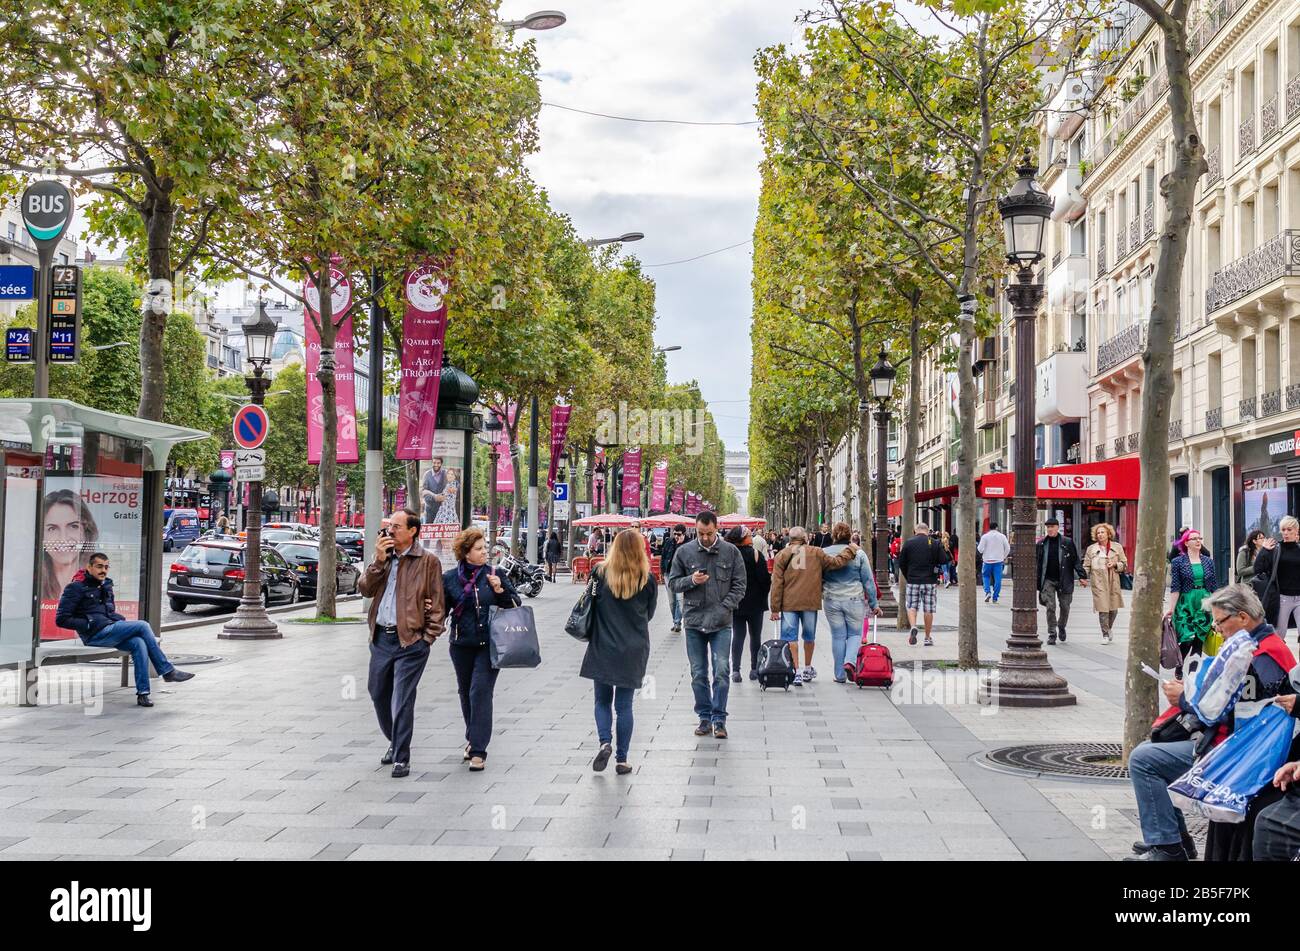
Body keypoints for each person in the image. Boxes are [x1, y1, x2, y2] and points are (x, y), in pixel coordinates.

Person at [1126, 585, 1297, 861]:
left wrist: (1185, 698)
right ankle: (1170, 840)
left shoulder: (1261, 654)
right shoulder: (1252, 645)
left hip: (1235, 754)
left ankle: (1168, 846)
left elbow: (1230, 708)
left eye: (1220, 621)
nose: (1216, 629)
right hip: (1229, 744)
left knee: (1144, 759)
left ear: (1242, 617)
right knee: (1151, 750)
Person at [358, 509, 445, 777]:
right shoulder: (383, 560)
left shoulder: (428, 561)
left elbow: (438, 604)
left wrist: (427, 638)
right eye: (389, 526)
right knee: (377, 692)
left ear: (413, 531)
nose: (390, 531)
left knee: (403, 698)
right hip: (381, 638)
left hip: (411, 641)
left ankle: (401, 758)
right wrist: (378, 561)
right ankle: (395, 742)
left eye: (396, 526)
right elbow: (365, 589)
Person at [56, 552, 195, 707]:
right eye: (99, 566)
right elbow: (61, 619)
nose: (103, 570)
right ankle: (167, 671)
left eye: (106, 567)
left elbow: (107, 612)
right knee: (143, 625)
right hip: (94, 635)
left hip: (108, 629)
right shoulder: (75, 587)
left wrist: (118, 619)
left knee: (138, 643)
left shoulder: (106, 585)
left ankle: (143, 694)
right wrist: (89, 624)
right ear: (89, 567)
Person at [443, 526, 520, 772]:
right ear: (465, 553)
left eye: (485, 547)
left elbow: (515, 605)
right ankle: (472, 737)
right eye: (479, 548)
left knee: (480, 692)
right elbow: (441, 610)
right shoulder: (450, 578)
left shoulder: (496, 573)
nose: (484, 552)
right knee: (465, 692)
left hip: (490, 645)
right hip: (460, 644)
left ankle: (478, 750)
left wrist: (501, 591)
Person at [581, 528, 657, 774]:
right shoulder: (647, 578)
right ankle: (622, 759)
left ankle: (605, 742)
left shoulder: (600, 573)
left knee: (602, 701)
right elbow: (650, 614)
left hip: (603, 645)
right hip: (633, 648)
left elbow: (588, 603)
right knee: (624, 706)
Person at [666, 511, 746, 738]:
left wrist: (725, 607)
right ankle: (704, 717)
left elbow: (740, 585)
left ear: (717, 528)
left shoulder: (731, 552)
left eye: (709, 533)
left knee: (722, 670)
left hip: (721, 621)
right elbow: (672, 583)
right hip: (694, 621)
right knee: (698, 672)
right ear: (695, 529)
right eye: (701, 533)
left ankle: (719, 718)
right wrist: (691, 580)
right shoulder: (684, 552)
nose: (706, 538)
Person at [769, 526, 859, 685]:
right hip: (810, 602)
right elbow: (836, 562)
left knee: (791, 638)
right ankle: (808, 668)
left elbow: (777, 583)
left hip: (789, 603)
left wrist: (775, 608)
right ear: (805, 538)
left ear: (789, 538)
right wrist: (850, 549)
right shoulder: (816, 552)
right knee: (809, 637)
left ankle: (795, 671)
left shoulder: (782, 555)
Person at [822, 522, 881, 683]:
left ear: (833, 535)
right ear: (850, 535)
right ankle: (850, 661)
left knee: (838, 636)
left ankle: (839, 675)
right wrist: (874, 604)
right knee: (855, 634)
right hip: (854, 599)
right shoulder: (859, 553)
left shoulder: (823, 553)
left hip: (831, 599)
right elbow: (868, 581)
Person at [1164, 529, 1217, 677]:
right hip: (1186, 603)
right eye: (1194, 539)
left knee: (1199, 640)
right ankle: (1179, 666)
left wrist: (1218, 608)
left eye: (1199, 538)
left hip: (1204, 603)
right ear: (1186, 543)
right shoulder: (1178, 562)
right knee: (1187, 639)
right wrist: (1171, 609)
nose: (1198, 541)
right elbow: (1175, 587)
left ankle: (1193, 673)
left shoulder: (1208, 561)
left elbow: (1213, 586)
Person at [42, 489, 100, 605]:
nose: (63, 538)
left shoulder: (102, 581)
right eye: (52, 528)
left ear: (86, 532)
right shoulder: (28, 584)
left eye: (73, 526)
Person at [727, 526, 770, 683]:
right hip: (755, 602)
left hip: (736, 602)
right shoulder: (756, 554)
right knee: (755, 636)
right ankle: (755, 668)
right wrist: (764, 593)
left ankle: (736, 670)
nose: (751, 536)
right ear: (743, 537)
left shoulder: (730, 554)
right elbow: (765, 579)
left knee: (738, 636)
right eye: (748, 534)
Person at [1036, 517, 1086, 646]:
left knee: (1065, 607)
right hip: (1048, 580)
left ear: (1058, 528)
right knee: (1050, 607)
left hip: (1064, 579)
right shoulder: (1041, 544)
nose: (1050, 529)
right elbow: (1037, 564)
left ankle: (1061, 626)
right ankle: (1052, 633)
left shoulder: (1067, 542)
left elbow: (1075, 560)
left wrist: (1082, 576)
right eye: (1048, 527)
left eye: (1052, 527)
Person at [898, 522, 949, 646]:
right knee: (928, 609)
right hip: (929, 581)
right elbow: (944, 560)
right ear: (927, 531)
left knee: (911, 606)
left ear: (916, 531)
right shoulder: (935, 543)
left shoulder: (909, 543)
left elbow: (901, 563)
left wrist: (908, 575)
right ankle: (927, 637)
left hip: (913, 580)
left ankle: (914, 626)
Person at [1253, 516, 1300, 637]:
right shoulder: (1276, 549)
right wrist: (1264, 550)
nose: (1286, 533)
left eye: (1289, 530)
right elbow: (1258, 569)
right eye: (1283, 530)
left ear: (1296, 530)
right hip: (1283, 597)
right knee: (1279, 634)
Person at [1083, 522, 1127, 644]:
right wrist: (1083, 577)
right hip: (1098, 582)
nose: (1100, 535)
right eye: (1098, 533)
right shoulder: (1091, 549)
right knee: (1103, 609)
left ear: (1108, 534)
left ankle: (1108, 628)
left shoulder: (1117, 547)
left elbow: (1124, 564)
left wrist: (1115, 564)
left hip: (1113, 582)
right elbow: (1086, 565)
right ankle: (1105, 634)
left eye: (1102, 532)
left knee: (1113, 610)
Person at [977, 521, 1010, 603]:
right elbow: (1008, 548)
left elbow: (980, 549)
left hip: (987, 560)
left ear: (989, 528)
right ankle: (995, 597)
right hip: (998, 561)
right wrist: (1003, 556)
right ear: (997, 527)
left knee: (986, 576)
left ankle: (987, 592)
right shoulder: (1002, 536)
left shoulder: (985, 537)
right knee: (998, 579)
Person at [660, 524, 686, 633]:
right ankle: (675, 621)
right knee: (672, 601)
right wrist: (662, 572)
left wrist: (680, 545)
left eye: (678, 534)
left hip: (681, 576)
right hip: (668, 574)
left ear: (684, 534)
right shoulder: (669, 542)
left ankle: (677, 622)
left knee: (680, 600)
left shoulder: (687, 544)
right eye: (674, 533)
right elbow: (663, 556)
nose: (676, 536)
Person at [420, 457, 447, 525]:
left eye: (438, 463)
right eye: (434, 463)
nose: (436, 465)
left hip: (443, 509)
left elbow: (452, 485)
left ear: (441, 464)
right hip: (430, 510)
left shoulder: (445, 474)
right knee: (430, 530)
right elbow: (423, 492)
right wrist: (434, 498)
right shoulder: (427, 475)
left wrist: (444, 497)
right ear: (432, 463)